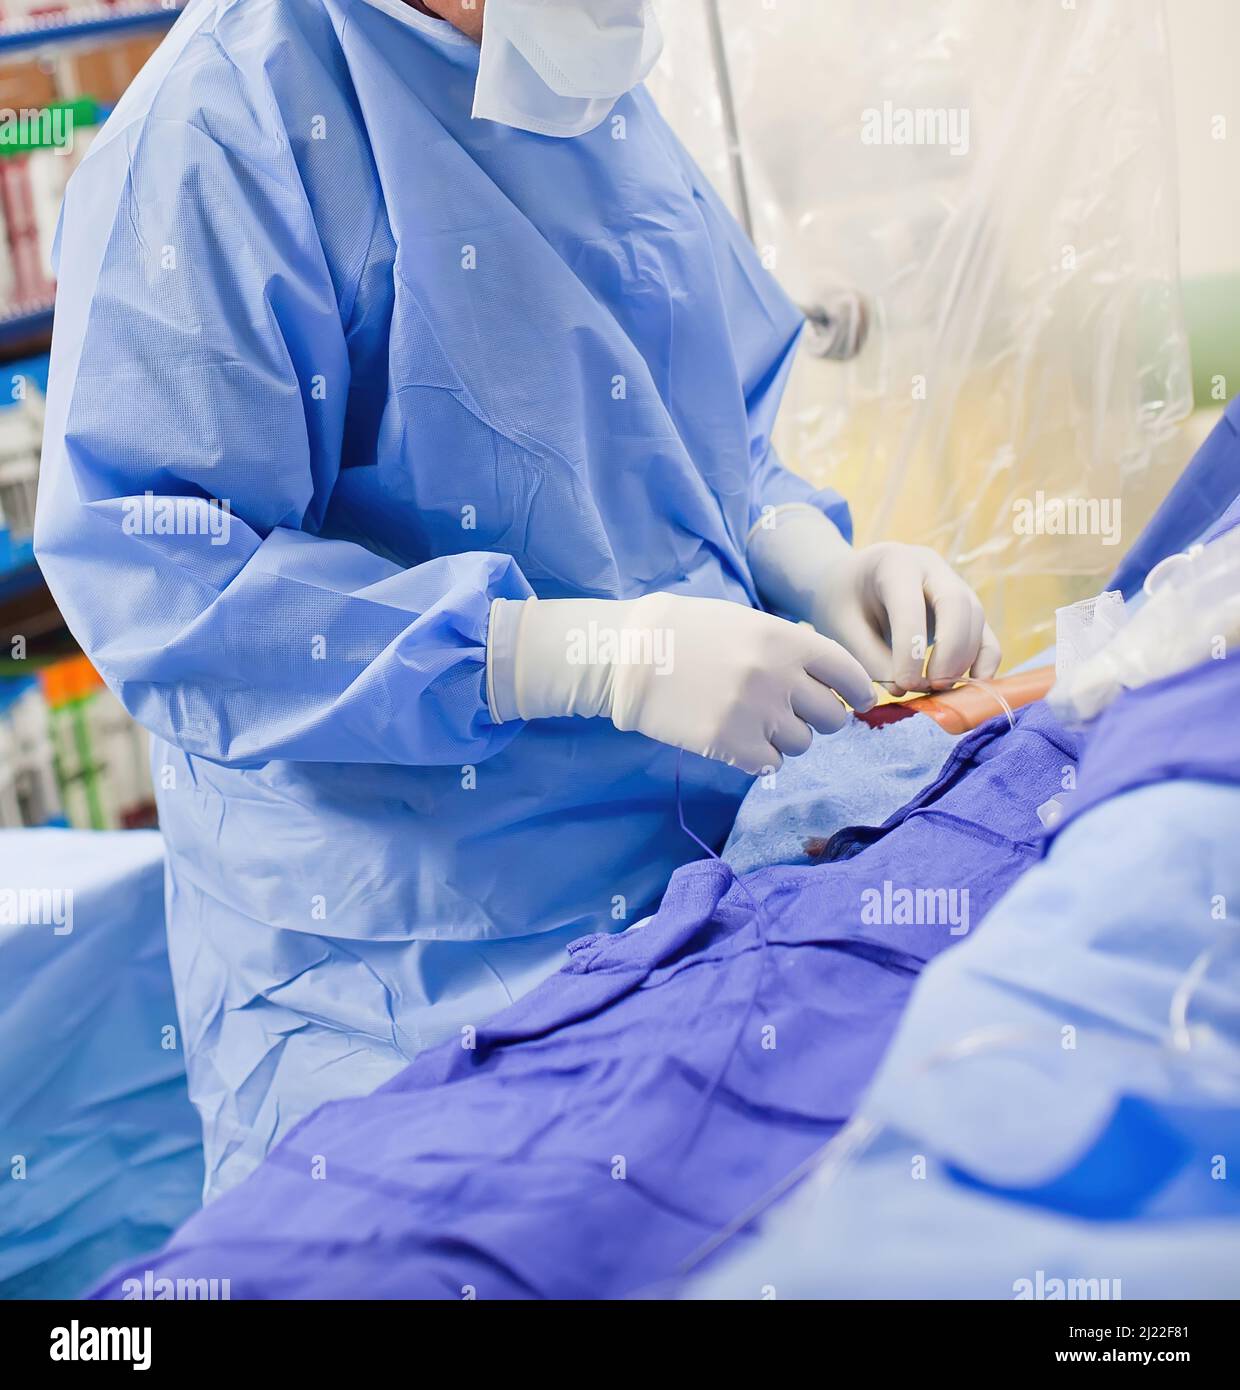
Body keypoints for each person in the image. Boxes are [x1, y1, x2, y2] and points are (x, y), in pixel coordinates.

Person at [35, 0, 999, 1197]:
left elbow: (686, 435)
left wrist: (805, 556)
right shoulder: (221, 131)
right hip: (403, 983)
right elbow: (169, 585)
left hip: (703, 876)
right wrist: (560, 656)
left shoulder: (569, 81)